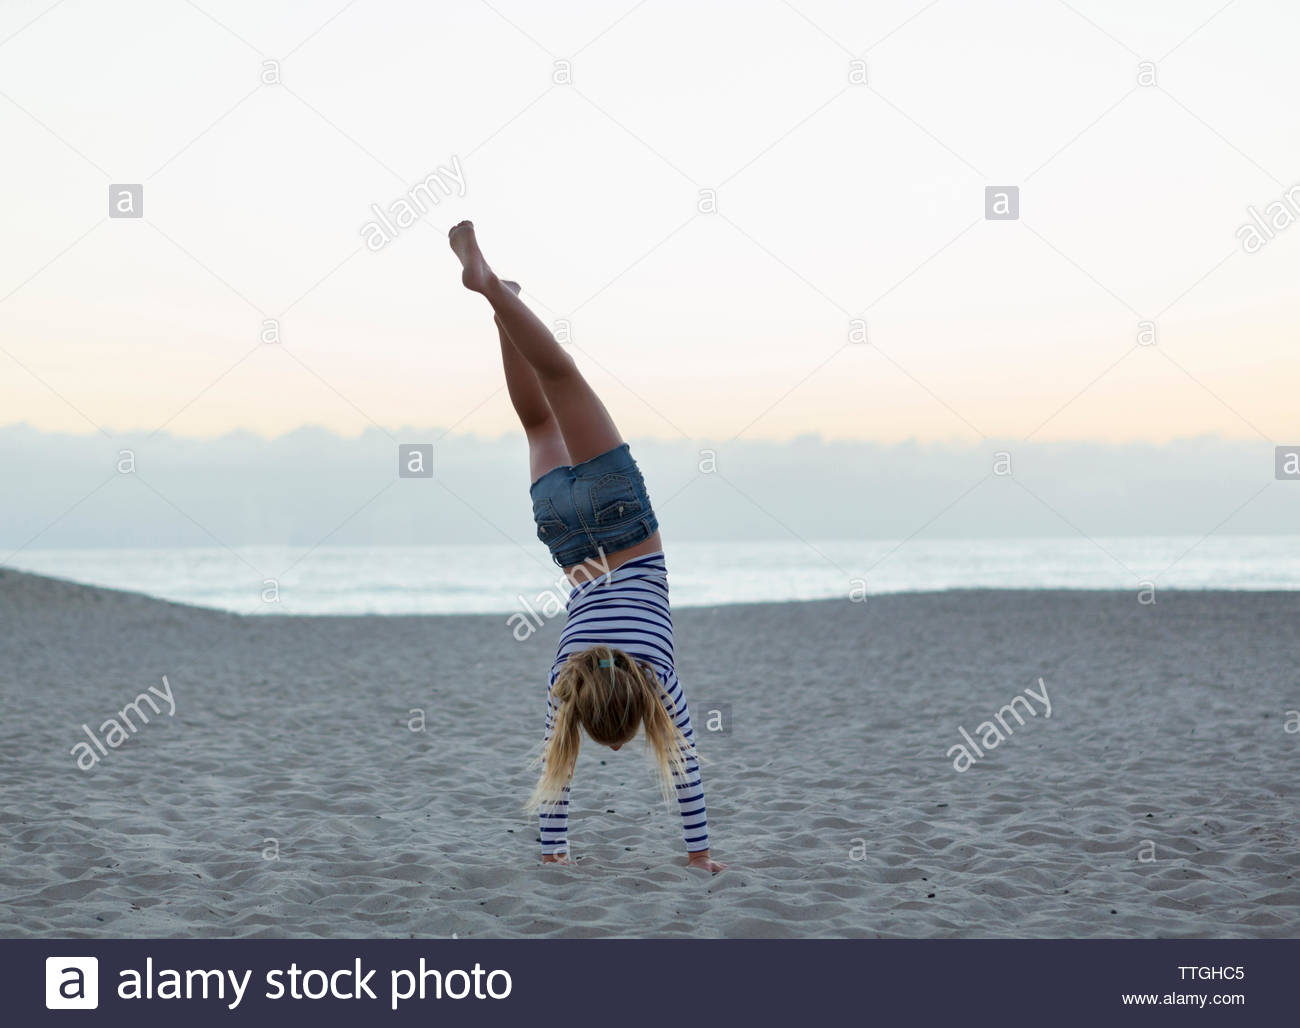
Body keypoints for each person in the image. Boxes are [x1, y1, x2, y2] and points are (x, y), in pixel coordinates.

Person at [448, 221, 724, 872]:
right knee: (537, 420)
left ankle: (492, 289)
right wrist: (555, 855)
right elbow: (555, 779)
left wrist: (700, 854)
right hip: (566, 532)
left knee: (562, 376)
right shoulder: (563, 681)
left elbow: (689, 780)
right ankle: (497, 303)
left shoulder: (658, 680)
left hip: (625, 526)